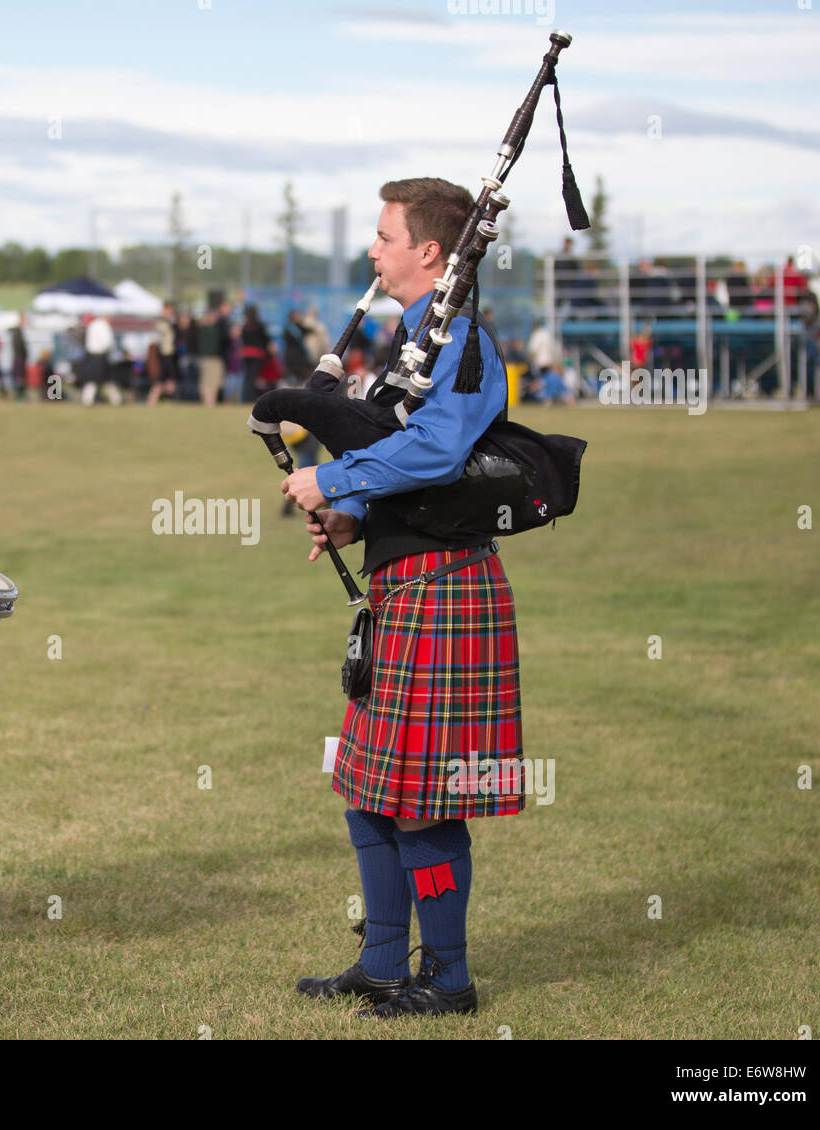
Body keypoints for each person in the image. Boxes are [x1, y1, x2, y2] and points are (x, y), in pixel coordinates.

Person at [280, 177, 524, 1020]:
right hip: (404, 582)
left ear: (429, 251)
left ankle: (448, 979)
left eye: (384, 237)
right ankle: (383, 962)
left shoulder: (460, 341)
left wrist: (330, 477)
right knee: (370, 787)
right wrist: (352, 520)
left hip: (448, 588)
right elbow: (405, 459)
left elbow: (435, 452)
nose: (372, 253)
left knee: (427, 801)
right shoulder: (415, 338)